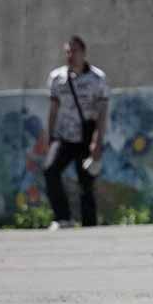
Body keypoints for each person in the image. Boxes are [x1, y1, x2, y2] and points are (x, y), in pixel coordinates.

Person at [36, 37, 111, 228]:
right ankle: (63, 218)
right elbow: (53, 110)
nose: (70, 55)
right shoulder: (57, 78)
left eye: (74, 51)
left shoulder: (97, 78)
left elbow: (102, 112)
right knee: (50, 170)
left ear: (83, 53)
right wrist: (48, 136)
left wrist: (97, 140)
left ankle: (89, 225)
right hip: (64, 136)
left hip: (87, 137)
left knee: (86, 182)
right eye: (68, 51)